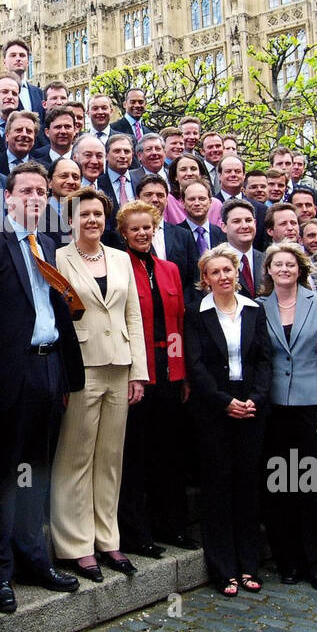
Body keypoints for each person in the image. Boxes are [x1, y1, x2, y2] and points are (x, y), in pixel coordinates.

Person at [0, 162, 85, 611]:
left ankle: (33, 558)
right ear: (9, 199)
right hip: (8, 375)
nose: (36, 198)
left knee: (37, 471)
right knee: (1, 476)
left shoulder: (51, 246)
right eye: (27, 191)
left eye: (42, 192)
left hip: (47, 368)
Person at [51, 188, 148, 581]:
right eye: (84, 214)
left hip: (120, 366)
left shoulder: (122, 259)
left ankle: (108, 539)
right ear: (70, 219)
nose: (92, 220)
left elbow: (134, 318)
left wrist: (138, 371)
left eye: (98, 214)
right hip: (82, 367)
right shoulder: (58, 258)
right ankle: (75, 544)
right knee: (75, 458)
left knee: (110, 458)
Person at [184, 246, 272, 595]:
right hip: (214, 408)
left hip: (252, 405)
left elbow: (265, 360)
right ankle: (224, 569)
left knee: (247, 486)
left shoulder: (254, 310)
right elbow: (196, 364)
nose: (223, 277)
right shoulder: (196, 314)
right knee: (218, 487)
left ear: (237, 273)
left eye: (228, 270)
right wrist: (224, 402)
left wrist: (256, 399)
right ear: (205, 280)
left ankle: (250, 563)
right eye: (215, 272)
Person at [258, 241, 317, 591]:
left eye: (290, 264)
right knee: (279, 489)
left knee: (310, 486)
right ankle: (288, 562)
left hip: (312, 409)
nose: (284, 270)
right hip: (273, 408)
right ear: (269, 270)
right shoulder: (258, 307)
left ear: (300, 269)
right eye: (277, 264)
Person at [116, 200, 190, 557]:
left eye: (148, 227)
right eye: (135, 229)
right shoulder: (119, 266)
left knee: (171, 454)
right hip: (138, 374)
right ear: (124, 233)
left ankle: (171, 526)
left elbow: (179, 321)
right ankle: (135, 532)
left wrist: (184, 374)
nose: (143, 233)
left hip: (171, 370)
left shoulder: (171, 269)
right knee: (136, 456)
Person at [221, 198, 263, 298]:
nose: (244, 226)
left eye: (248, 220)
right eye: (236, 221)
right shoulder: (215, 262)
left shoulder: (267, 260)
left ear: (255, 224)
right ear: (224, 227)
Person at [163, 155, 221, 227]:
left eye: (193, 169)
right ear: (175, 176)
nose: (189, 173)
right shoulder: (167, 201)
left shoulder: (216, 205)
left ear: (200, 174)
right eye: (183, 169)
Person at [179, 177, 227, 257]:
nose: (197, 203)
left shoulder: (222, 234)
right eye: (192, 199)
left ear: (210, 202)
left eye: (202, 199)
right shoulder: (175, 235)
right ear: (183, 203)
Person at [45, 156, 82, 242]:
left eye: (75, 177)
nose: (71, 181)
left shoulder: (87, 214)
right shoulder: (39, 215)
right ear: (49, 182)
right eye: (63, 176)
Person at [3, 38, 45, 112]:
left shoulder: (40, 94)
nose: (18, 58)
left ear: (28, 62)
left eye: (22, 55)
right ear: (4, 62)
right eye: (13, 55)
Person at [0, 110, 39, 175]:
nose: (24, 134)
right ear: (7, 135)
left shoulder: (43, 169)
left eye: (29, 131)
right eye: (18, 130)